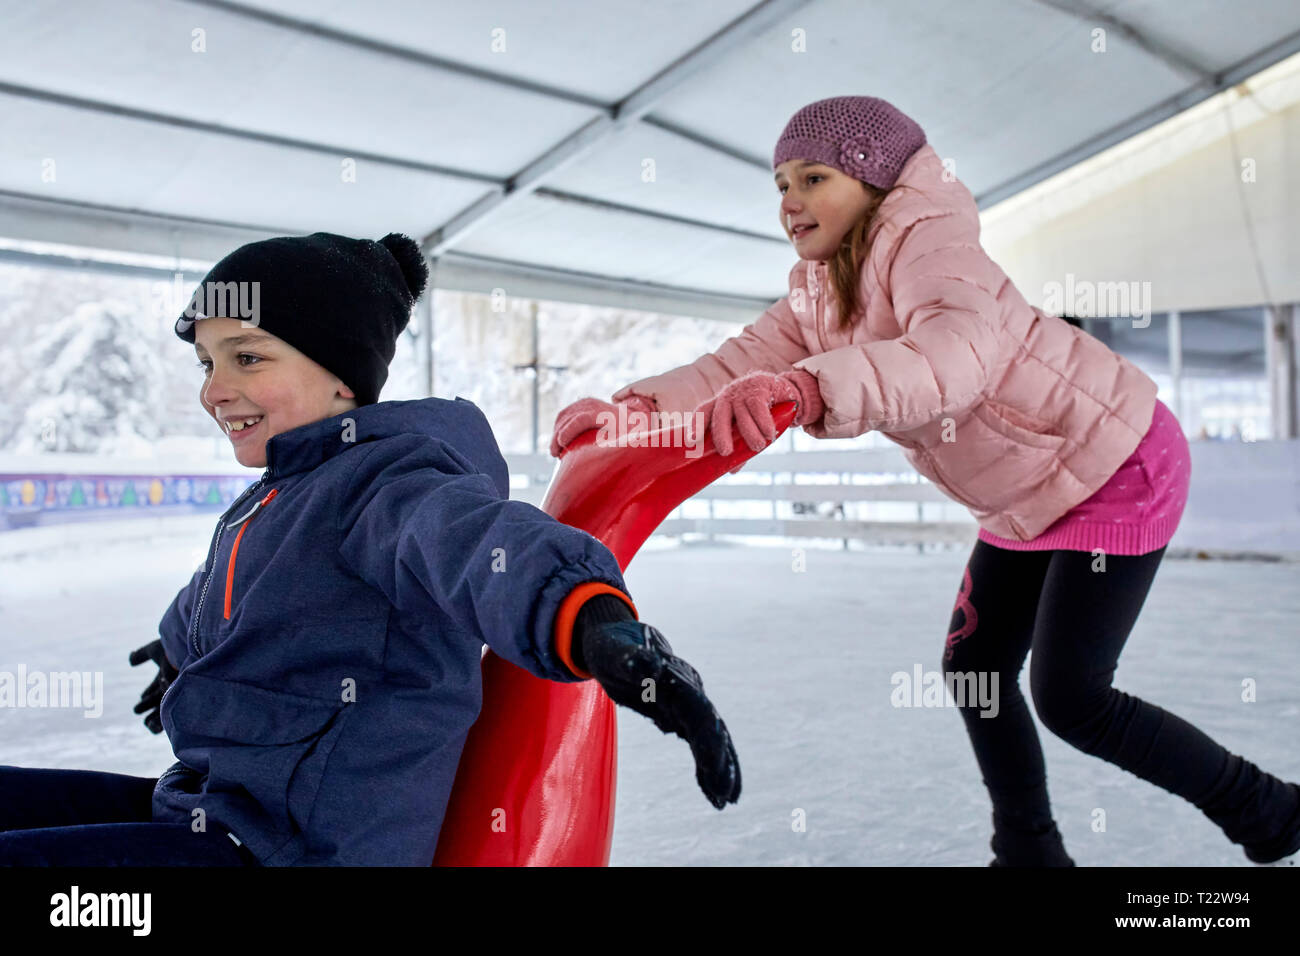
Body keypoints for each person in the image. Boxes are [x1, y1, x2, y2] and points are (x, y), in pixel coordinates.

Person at [550, 96, 1300, 867]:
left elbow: (952, 361)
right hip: (1024, 491)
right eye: (780, 183)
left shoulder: (935, 248)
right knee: (976, 673)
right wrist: (633, 411)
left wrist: (812, 388)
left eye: (814, 177)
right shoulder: (815, 293)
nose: (790, 200)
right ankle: (1029, 853)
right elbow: (734, 366)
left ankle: (1269, 809)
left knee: (1074, 699)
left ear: (876, 184)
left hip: (1114, 460)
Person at [0, 231, 740, 867]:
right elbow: (227, 594)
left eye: (247, 358)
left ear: (342, 375)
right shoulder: (278, 491)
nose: (213, 391)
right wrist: (178, 649)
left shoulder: (386, 483)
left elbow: (474, 544)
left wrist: (593, 619)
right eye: (208, 363)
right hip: (212, 808)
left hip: (288, 850)